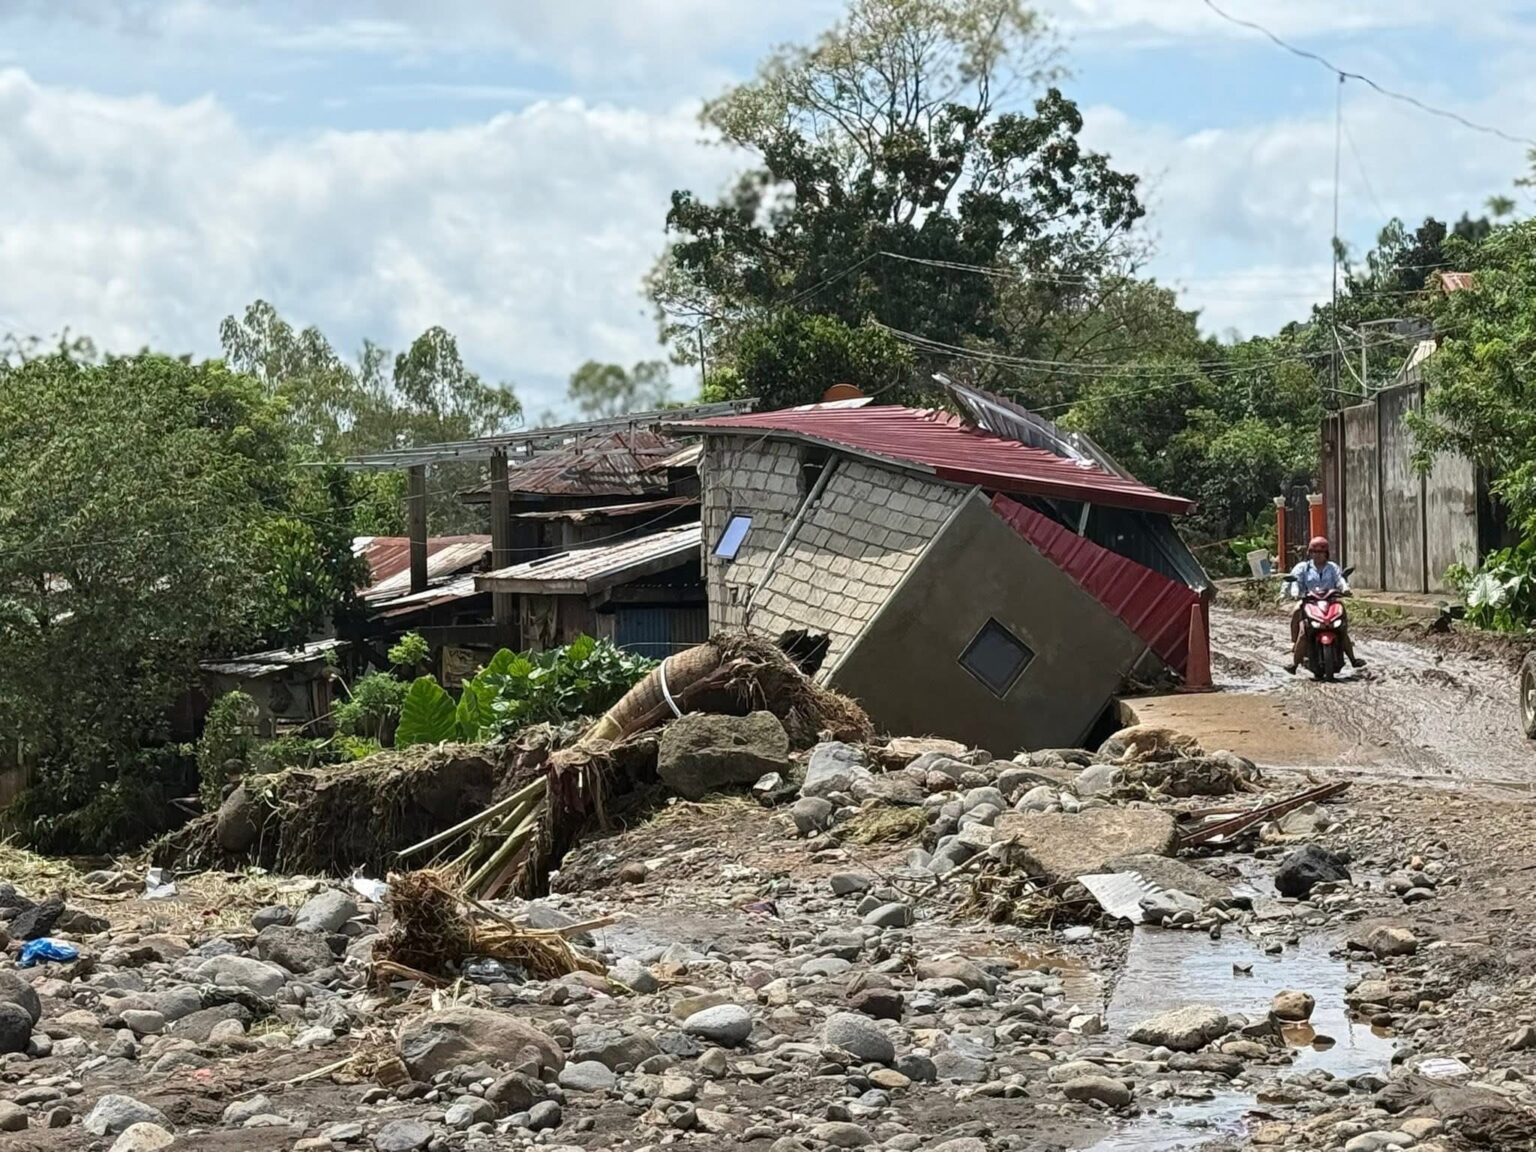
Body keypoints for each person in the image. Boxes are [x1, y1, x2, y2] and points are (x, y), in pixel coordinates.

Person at [1285, 536, 1364, 674]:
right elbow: (1295, 582)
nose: (1317, 555)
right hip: (1309, 601)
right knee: (1300, 619)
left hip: (1330, 601)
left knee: (1341, 627)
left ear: (1326, 553)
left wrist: (1345, 589)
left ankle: (1352, 659)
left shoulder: (1332, 568)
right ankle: (1294, 662)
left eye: (1320, 552)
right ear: (1310, 553)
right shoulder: (1303, 568)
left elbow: (1340, 580)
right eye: (1314, 552)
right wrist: (1295, 592)